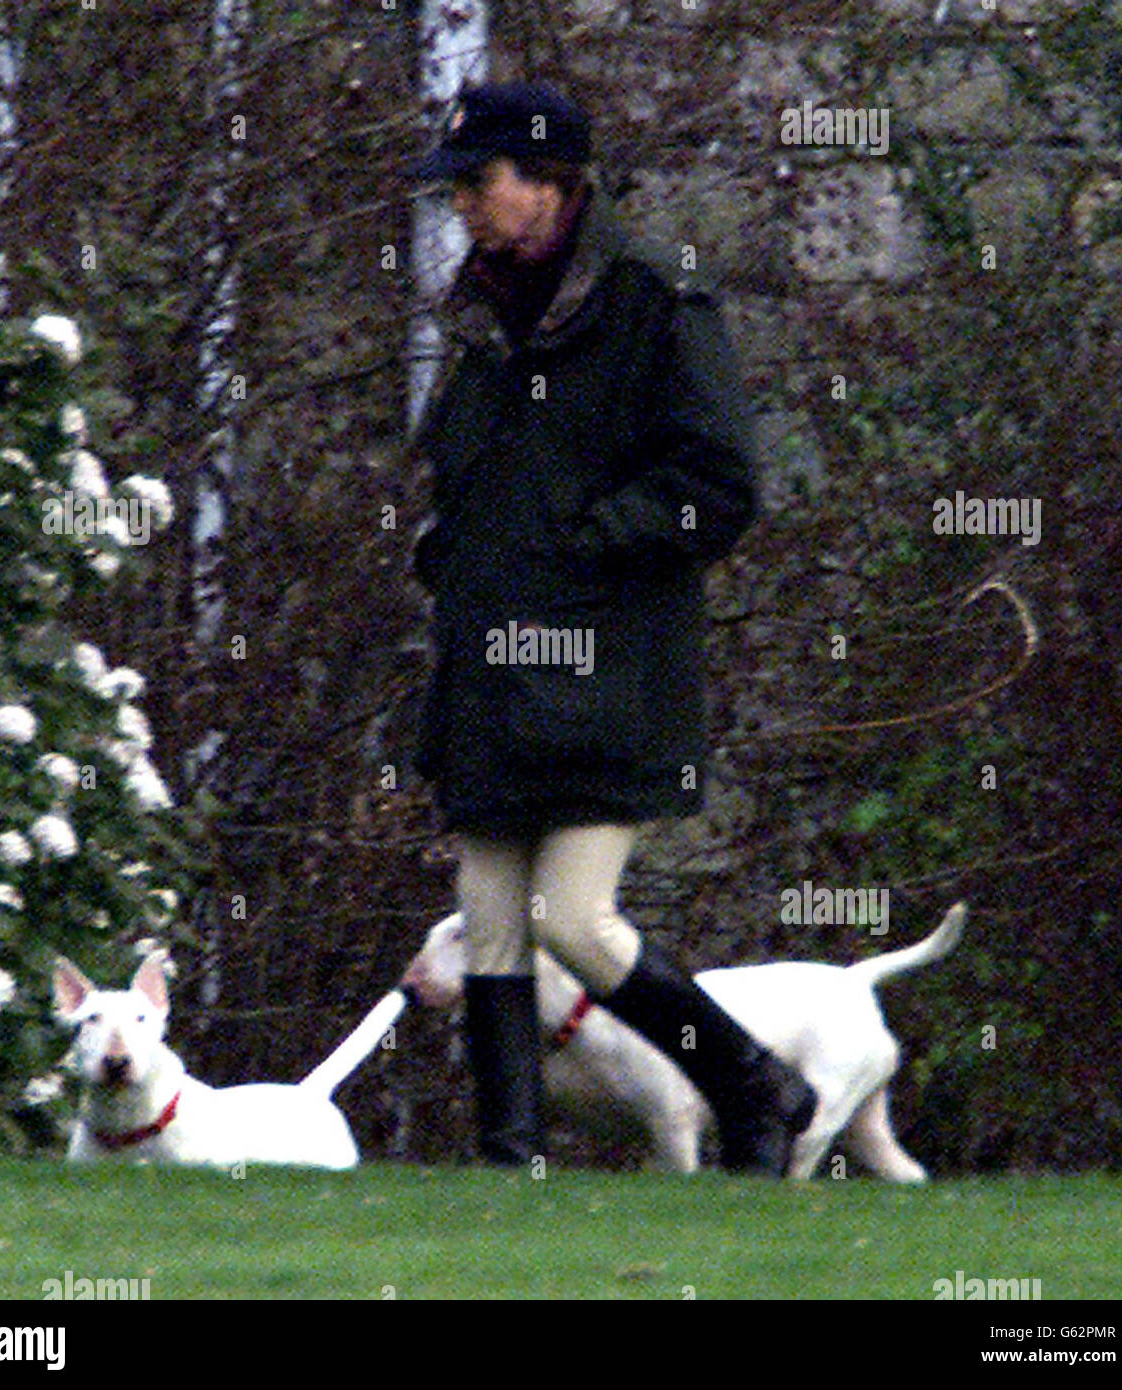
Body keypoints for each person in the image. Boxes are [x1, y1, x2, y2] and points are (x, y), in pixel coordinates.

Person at [407, 83, 815, 1174]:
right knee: (486, 913)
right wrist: (450, 552)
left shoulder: (656, 300)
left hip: (608, 672)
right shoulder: (483, 314)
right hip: (489, 671)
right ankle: (510, 1163)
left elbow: (718, 488)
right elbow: (473, 472)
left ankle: (752, 1084)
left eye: (475, 183)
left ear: (548, 183)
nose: (460, 207)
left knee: (574, 922)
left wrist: (590, 541)